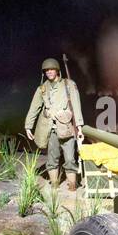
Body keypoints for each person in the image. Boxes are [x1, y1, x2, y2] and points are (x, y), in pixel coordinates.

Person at [25, 57, 84, 191]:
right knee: (52, 159)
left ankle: (72, 186)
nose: (49, 72)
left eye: (52, 69)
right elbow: (34, 107)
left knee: (70, 159)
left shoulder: (69, 85)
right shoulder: (42, 88)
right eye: (47, 70)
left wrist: (79, 127)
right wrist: (28, 126)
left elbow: (76, 106)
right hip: (50, 129)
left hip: (67, 127)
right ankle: (55, 185)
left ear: (57, 70)